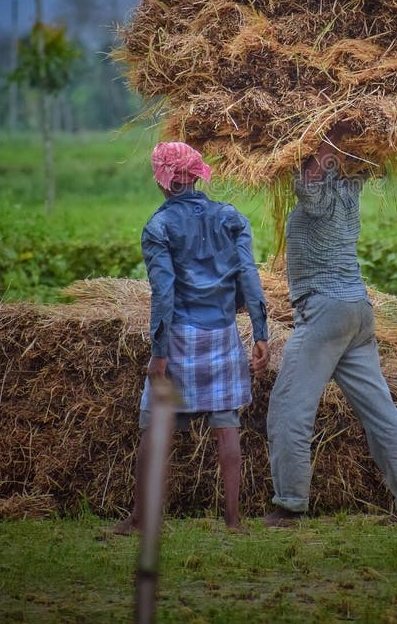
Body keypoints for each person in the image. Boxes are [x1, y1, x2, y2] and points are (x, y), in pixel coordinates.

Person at [264, 125, 397, 526]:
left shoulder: (318, 198)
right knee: (379, 411)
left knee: (288, 408)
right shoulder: (350, 192)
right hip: (357, 311)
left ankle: (288, 506)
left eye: (310, 164)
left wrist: (323, 136)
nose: (301, 167)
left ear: (326, 167)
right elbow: (326, 169)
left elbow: (309, 180)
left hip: (325, 312)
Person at [113, 141, 269, 534]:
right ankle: (233, 521)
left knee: (156, 425)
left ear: (162, 181)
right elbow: (248, 276)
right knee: (227, 424)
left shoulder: (158, 227)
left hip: (180, 338)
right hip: (222, 334)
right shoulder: (231, 218)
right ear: (197, 175)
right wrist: (261, 332)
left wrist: (159, 354)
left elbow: (163, 294)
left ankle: (141, 519)